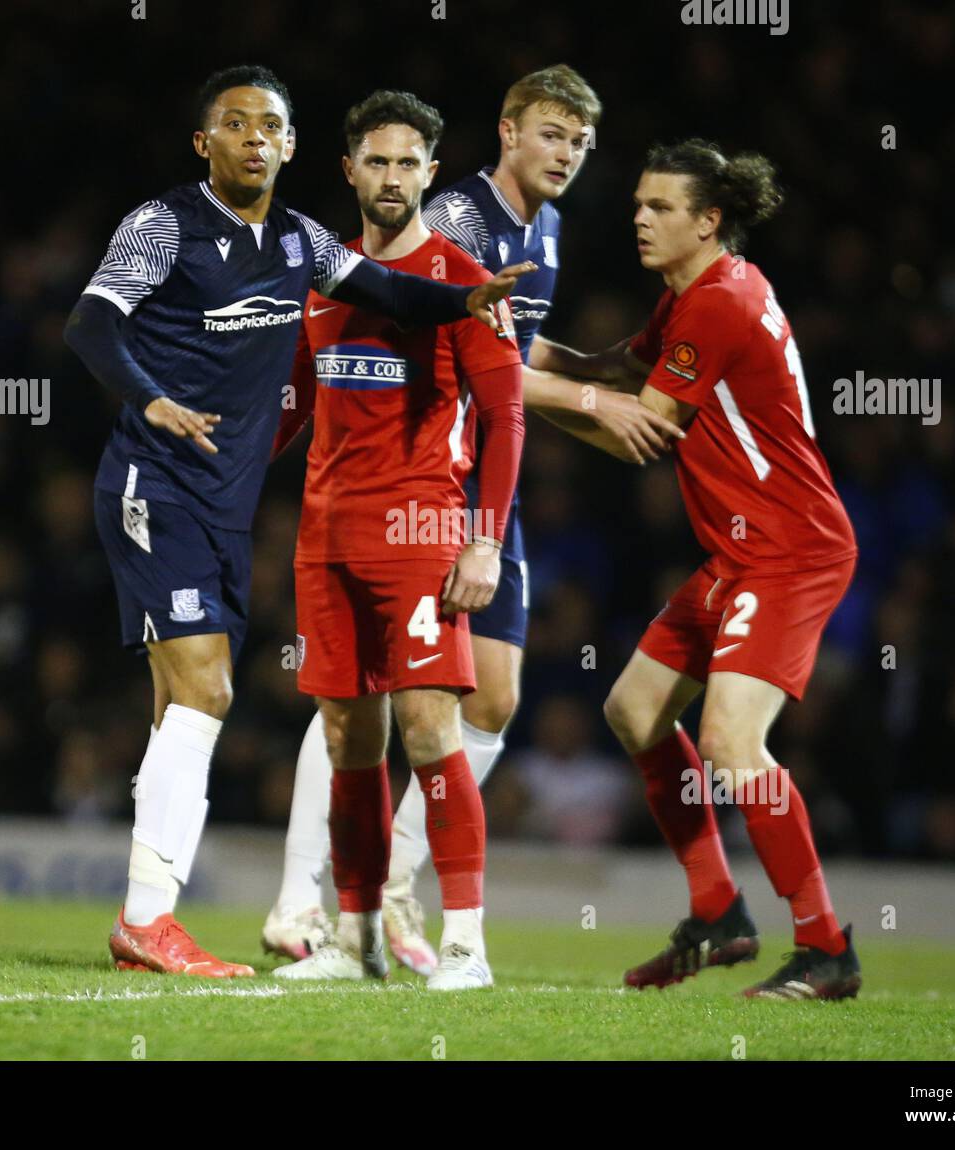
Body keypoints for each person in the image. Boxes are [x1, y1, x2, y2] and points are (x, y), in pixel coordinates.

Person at [64, 64, 529, 978]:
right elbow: (90, 326)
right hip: (176, 490)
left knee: (196, 709)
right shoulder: (165, 226)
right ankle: (157, 920)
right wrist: (151, 401)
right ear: (207, 142)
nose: (252, 139)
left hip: (321, 521)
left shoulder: (304, 246)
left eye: (268, 126)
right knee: (213, 697)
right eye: (233, 124)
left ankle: (440, 939)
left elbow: (405, 306)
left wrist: (466, 302)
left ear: (290, 146)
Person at [264, 65, 682, 974]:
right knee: (361, 715)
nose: (566, 153)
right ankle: (319, 901)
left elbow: (499, 359)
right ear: (505, 130)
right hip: (392, 502)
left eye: (580, 141)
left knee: (473, 704)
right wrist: (594, 402)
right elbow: (450, 346)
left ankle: (414, 902)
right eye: (551, 133)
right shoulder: (451, 224)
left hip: (444, 500)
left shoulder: (546, 229)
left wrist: (590, 373)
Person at [536, 139, 863, 1000]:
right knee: (636, 711)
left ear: (709, 220)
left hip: (789, 549)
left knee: (727, 741)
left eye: (661, 208)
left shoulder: (718, 304)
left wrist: (513, 393)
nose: (640, 218)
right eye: (638, 204)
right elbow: (612, 369)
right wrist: (519, 353)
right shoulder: (697, 294)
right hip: (739, 552)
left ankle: (827, 947)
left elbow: (633, 430)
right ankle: (718, 909)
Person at [268, 91, 523, 990]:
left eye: (407, 162)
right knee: (347, 739)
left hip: (419, 534)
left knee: (427, 725)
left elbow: (506, 417)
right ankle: (356, 938)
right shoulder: (323, 276)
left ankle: (465, 944)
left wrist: (484, 542)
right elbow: (296, 399)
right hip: (326, 537)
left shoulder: (464, 283)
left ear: (430, 172)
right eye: (375, 161)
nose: (390, 177)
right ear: (347, 169)